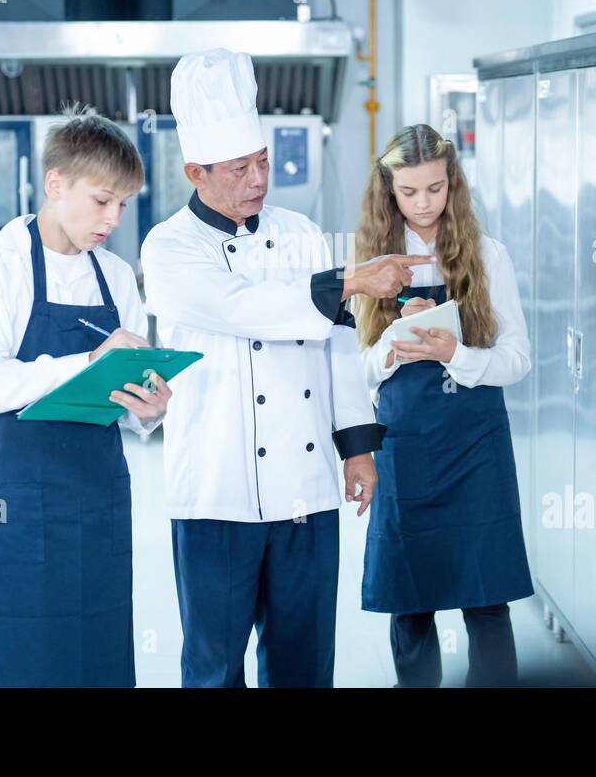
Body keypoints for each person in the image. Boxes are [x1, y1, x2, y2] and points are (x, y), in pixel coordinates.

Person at [140, 48, 434, 687]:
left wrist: (357, 448)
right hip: (215, 489)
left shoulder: (300, 233)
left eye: (264, 161)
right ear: (196, 170)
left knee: (303, 661)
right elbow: (244, 308)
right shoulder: (168, 247)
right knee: (215, 664)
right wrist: (354, 276)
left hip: (304, 486)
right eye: (240, 167)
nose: (258, 178)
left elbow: (335, 342)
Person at [0, 106, 172, 687]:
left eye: (123, 203)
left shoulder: (116, 276)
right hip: (20, 499)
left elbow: (126, 400)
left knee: (101, 644)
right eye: (101, 200)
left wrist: (150, 408)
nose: (114, 218)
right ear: (55, 184)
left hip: (98, 495)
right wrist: (86, 363)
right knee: (25, 647)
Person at [352, 123, 535, 688]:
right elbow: (353, 371)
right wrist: (393, 348)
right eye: (409, 193)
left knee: (486, 600)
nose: (423, 203)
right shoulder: (371, 264)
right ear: (388, 192)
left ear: (452, 184)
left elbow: (518, 359)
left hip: (476, 447)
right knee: (411, 603)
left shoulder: (486, 255)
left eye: (435, 189)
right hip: (406, 446)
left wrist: (457, 353)